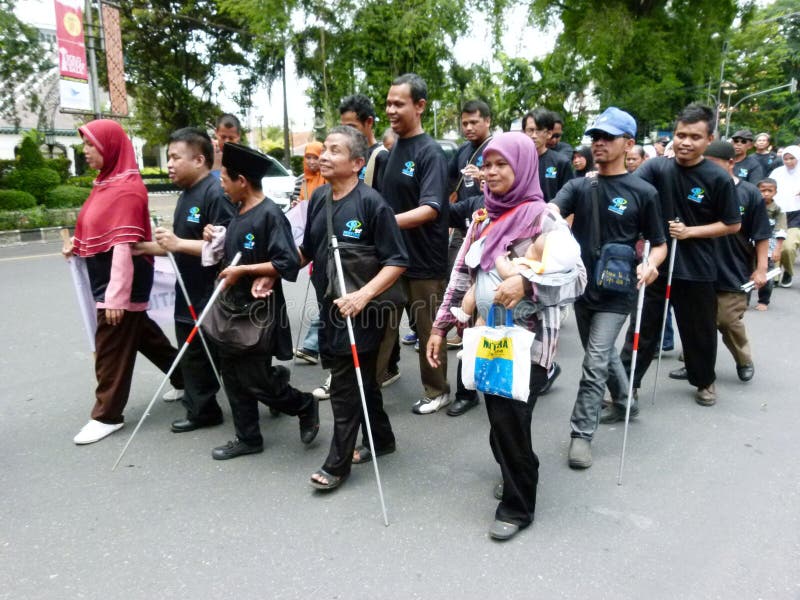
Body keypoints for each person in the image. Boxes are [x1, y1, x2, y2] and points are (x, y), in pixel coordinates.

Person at [427, 132, 585, 541]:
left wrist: (528, 285)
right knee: (501, 420)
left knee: (509, 420)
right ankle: (518, 467)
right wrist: (440, 324)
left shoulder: (543, 218)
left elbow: (577, 280)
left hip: (528, 344)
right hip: (486, 337)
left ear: (524, 167)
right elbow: (462, 274)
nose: (491, 172)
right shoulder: (483, 216)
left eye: (501, 164)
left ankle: (517, 505)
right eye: (488, 164)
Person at [551, 107, 666, 468]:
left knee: (595, 359)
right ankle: (625, 400)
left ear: (628, 144)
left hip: (619, 292)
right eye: (595, 137)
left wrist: (651, 264)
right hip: (581, 287)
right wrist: (548, 219)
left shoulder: (644, 192)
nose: (598, 143)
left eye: (607, 138)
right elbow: (550, 212)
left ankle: (581, 434)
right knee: (601, 354)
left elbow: (659, 243)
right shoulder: (579, 185)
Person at [296, 126, 408, 490]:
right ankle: (383, 439)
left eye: (335, 151)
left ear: (358, 163)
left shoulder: (372, 204)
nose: (324, 157)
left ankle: (337, 464)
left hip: (366, 310)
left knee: (344, 387)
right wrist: (268, 270)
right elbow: (307, 252)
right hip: (331, 307)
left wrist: (363, 296)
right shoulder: (318, 199)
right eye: (324, 149)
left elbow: (397, 261)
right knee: (361, 383)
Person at [65, 119, 183, 445]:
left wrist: (117, 297)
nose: (86, 151)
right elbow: (93, 226)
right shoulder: (105, 183)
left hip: (121, 282)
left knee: (110, 350)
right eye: (86, 144)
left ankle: (106, 415)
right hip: (106, 276)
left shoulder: (128, 189)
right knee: (144, 336)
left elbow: (123, 244)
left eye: (92, 144)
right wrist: (75, 245)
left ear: (110, 147)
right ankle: (189, 380)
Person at [203, 142, 319, 460]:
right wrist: (214, 237)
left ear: (242, 181)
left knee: (254, 380)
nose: (222, 185)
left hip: (259, 309)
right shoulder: (236, 211)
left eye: (225, 179)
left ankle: (303, 405)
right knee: (232, 374)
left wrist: (246, 270)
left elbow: (286, 262)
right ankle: (248, 437)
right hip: (231, 307)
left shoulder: (269, 214)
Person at [619, 104, 741, 406]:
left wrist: (690, 232)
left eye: (695, 137)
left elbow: (732, 224)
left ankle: (704, 381)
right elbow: (633, 193)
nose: (685, 142)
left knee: (699, 331)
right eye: (680, 135)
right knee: (642, 327)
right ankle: (626, 386)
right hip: (657, 263)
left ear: (708, 139)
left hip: (697, 267)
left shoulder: (717, 178)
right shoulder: (657, 167)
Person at [137, 127, 235, 433]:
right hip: (188, 290)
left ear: (199, 159)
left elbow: (228, 246)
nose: (169, 164)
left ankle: (275, 390)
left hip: (214, 292)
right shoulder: (186, 195)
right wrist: (136, 248)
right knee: (192, 353)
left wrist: (177, 243)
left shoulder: (215, 193)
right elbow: (176, 245)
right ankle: (202, 410)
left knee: (230, 358)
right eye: (168, 157)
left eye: (175, 157)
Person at [374, 73, 451, 415]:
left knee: (426, 330)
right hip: (392, 259)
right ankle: (378, 377)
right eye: (388, 103)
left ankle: (437, 389)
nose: (391, 109)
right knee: (381, 325)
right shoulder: (392, 152)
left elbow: (430, 209)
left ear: (419, 106)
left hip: (424, 261)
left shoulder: (430, 153)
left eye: (398, 103)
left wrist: (384, 224)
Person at [668, 141, 769, 384]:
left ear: (731, 163)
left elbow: (762, 233)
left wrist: (761, 268)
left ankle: (743, 359)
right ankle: (695, 366)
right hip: (697, 266)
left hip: (732, 269)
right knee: (695, 320)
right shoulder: (695, 187)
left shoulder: (749, 193)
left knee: (726, 319)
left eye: (712, 164)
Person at [444, 99, 494, 416]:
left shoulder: (499, 147)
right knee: (461, 305)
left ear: (488, 121)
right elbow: (449, 185)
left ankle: (514, 375)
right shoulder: (461, 151)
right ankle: (467, 389)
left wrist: (485, 177)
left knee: (490, 313)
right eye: (464, 122)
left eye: (474, 121)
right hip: (467, 229)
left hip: (498, 233)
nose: (468, 127)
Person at [522, 108, 574, 201]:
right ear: (524, 132)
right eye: (530, 130)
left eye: (539, 130)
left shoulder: (560, 162)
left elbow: (571, 198)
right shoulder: (516, 162)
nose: (534, 135)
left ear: (549, 133)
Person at [339, 93, 388, 189]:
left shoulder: (381, 157)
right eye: (343, 128)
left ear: (369, 122)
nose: (347, 133)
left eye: (352, 127)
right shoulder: (350, 156)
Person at [755, 177, 787, 310]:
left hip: (769, 245)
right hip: (751, 245)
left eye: (770, 190)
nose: (766, 193)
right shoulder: (753, 205)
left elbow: (781, 230)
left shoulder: (778, 210)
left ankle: (763, 300)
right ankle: (742, 300)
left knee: (767, 274)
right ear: (757, 191)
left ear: (775, 192)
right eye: (763, 190)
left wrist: (777, 249)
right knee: (746, 273)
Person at [772, 146, 800, 288]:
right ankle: (774, 276)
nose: (788, 162)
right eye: (786, 158)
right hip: (778, 213)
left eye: (792, 158)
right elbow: (768, 187)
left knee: (788, 247)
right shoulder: (777, 172)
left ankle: (788, 271)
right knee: (776, 246)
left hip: (797, 215)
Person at [210, 114, 241, 178]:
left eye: (231, 138)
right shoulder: (207, 154)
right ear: (216, 133)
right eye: (223, 137)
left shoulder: (243, 159)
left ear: (238, 136)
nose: (226, 142)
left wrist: (216, 169)